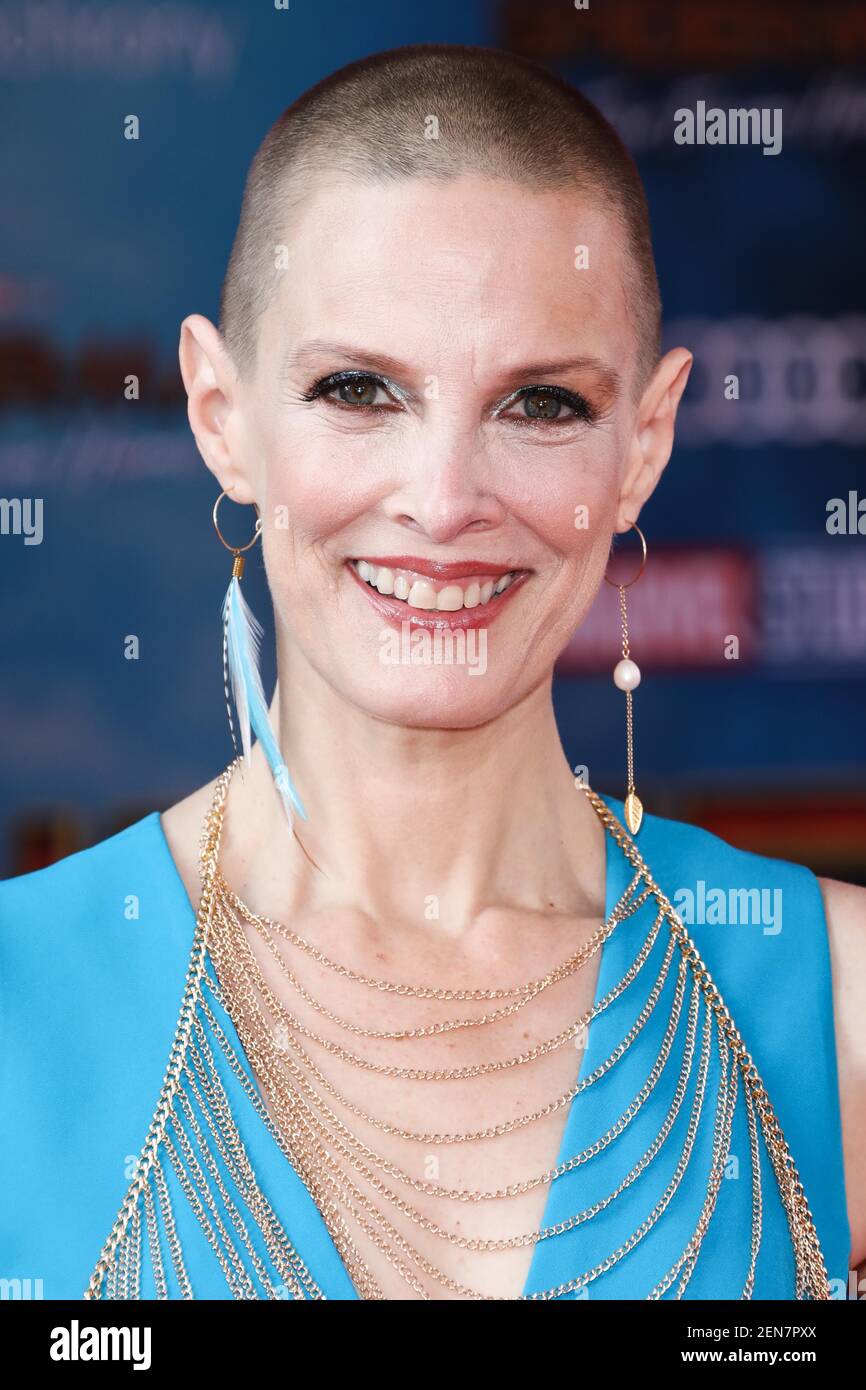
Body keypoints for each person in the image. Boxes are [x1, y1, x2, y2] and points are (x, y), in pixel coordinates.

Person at [1, 43, 863, 1302]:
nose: (445, 501)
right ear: (220, 415)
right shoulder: (20, 1008)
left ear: (644, 442)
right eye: (358, 390)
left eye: (541, 405)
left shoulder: (838, 1005)